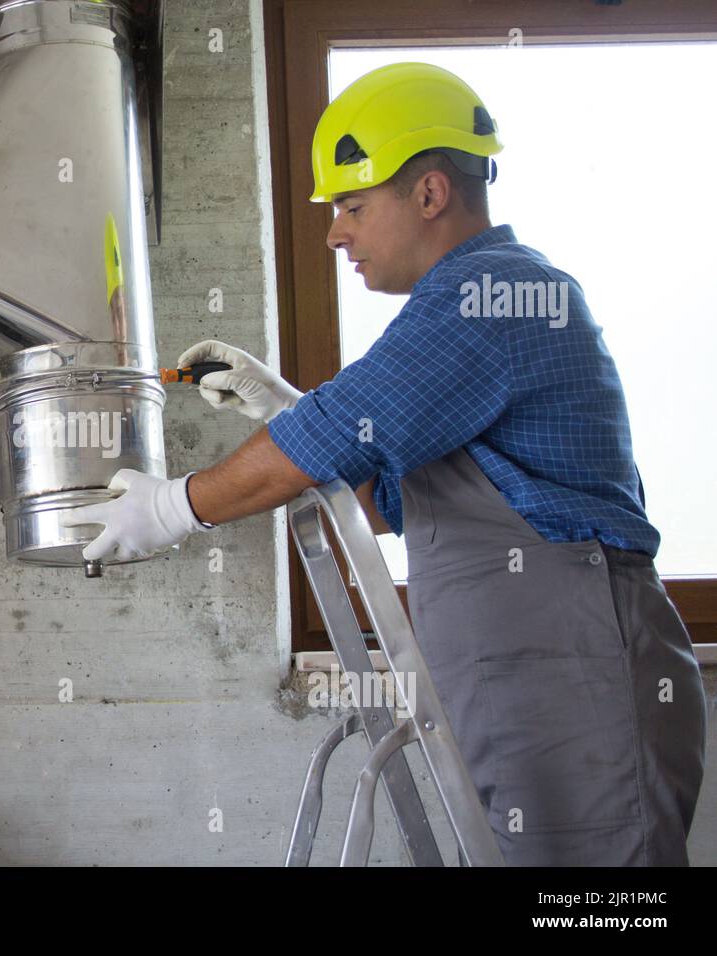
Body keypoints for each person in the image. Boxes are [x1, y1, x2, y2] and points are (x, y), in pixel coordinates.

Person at [62, 62, 706, 866]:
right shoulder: (464, 309)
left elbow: (337, 436)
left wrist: (169, 509)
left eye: (353, 207)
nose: (334, 234)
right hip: (531, 687)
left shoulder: (492, 295)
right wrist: (285, 407)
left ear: (430, 194)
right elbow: (379, 499)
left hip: (577, 688)